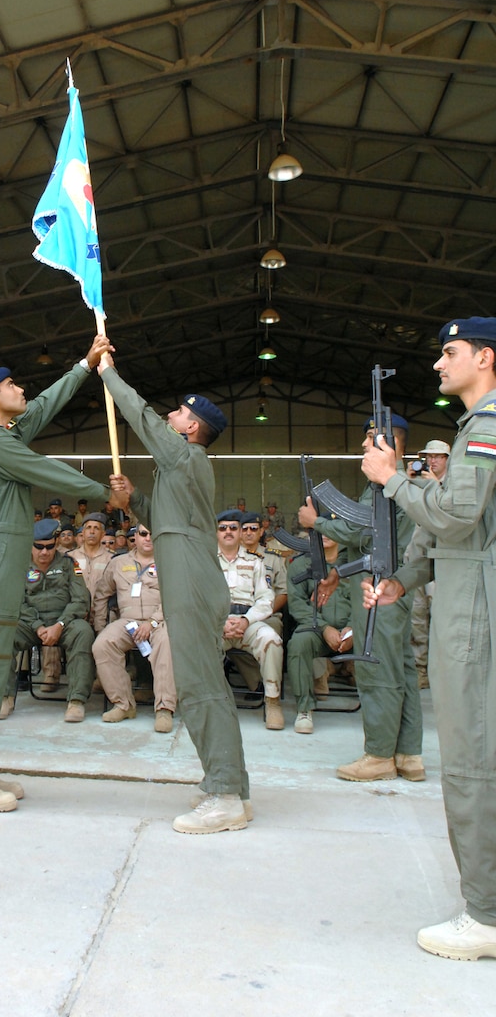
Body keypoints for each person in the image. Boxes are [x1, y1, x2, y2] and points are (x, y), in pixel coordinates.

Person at [360, 317, 496, 961]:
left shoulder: (488, 427)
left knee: (471, 762)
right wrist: (402, 580)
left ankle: (486, 915)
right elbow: (450, 532)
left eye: (451, 352)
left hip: (478, 608)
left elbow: (457, 517)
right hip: (466, 591)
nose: (439, 364)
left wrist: (392, 478)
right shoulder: (476, 428)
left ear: (485, 358)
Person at [0, 337, 123, 814]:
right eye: (11, 385)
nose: (20, 388)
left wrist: (84, 367)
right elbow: (47, 471)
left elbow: (42, 407)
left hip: (4, 553)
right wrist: (105, 494)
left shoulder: (2, 434)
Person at [98, 357, 250, 835]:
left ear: (192, 426)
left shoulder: (185, 456)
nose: (168, 416)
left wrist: (108, 374)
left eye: (177, 413)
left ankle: (226, 794)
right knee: (199, 684)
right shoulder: (181, 467)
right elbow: (161, 517)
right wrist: (132, 501)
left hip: (188, 573)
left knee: (203, 686)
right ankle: (225, 784)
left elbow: (141, 417)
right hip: (183, 563)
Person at [298, 412, 423, 783]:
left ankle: (380, 756)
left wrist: (315, 521)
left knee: (376, 672)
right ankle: (408, 754)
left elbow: (354, 530)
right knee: (400, 671)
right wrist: (339, 573)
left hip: (378, 591)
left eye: (371, 439)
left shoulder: (386, 484)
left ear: (391, 445)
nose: (364, 446)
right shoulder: (394, 485)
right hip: (390, 586)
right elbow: (369, 538)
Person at [0, 520, 94, 722]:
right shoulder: (19, 566)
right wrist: (37, 626)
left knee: (83, 632)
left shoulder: (70, 565)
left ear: (56, 543)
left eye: (50, 547)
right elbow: (15, 600)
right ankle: (5, 697)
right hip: (31, 623)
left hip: (64, 623)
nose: (44, 552)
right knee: (3, 633)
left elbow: (81, 600)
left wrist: (59, 625)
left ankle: (76, 701)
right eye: (39, 547)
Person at [92, 523, 176, 732]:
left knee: (166, 644)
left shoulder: (170, 562)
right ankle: (123, 704)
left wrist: (153, 622)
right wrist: (100, 627)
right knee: (102, 644)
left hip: (161, 621)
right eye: (143, 534)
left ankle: (164, 708)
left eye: (152, 534)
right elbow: (102, 594)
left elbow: (176, 597)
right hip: (127, 622)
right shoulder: (118, 563)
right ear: (135, 537)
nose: (148, 538)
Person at [215, 511, 283, 731]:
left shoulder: (255, 563)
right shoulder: (207, 563)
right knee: (198, 645)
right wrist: (220, 622)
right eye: (223, 528)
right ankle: (208, 703)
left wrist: (245, 620)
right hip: (217, 624)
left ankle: (272, 702)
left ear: (239, 532)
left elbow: (266, 598)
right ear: (216, 532)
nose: (228, 532)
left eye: (233, 528)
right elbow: (198, 598)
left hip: (248, 623)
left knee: (272, 640)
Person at [286, 536, 352, 733]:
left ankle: (380, 712)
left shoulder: (357, 564)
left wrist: (354, 628)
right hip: (316, 630)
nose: (325, 534)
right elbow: (297, 604)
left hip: (356, 630)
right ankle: (304, 709)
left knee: (384, 642)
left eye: (331, 529)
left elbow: (370, 599)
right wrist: (324, 628)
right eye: (320, 529)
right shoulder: (300, 565)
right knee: (298, 643)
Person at [407, 439, 451, 689]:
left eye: (438, 457)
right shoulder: (418, 483)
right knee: (417, 618)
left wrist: (437, 487)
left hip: (440, 562)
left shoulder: (452, 486)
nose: (432, 461)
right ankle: (420, 669)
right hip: (417, 558)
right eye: (428, 457)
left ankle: (442, 672)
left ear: (447, 459)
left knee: (440, 618)